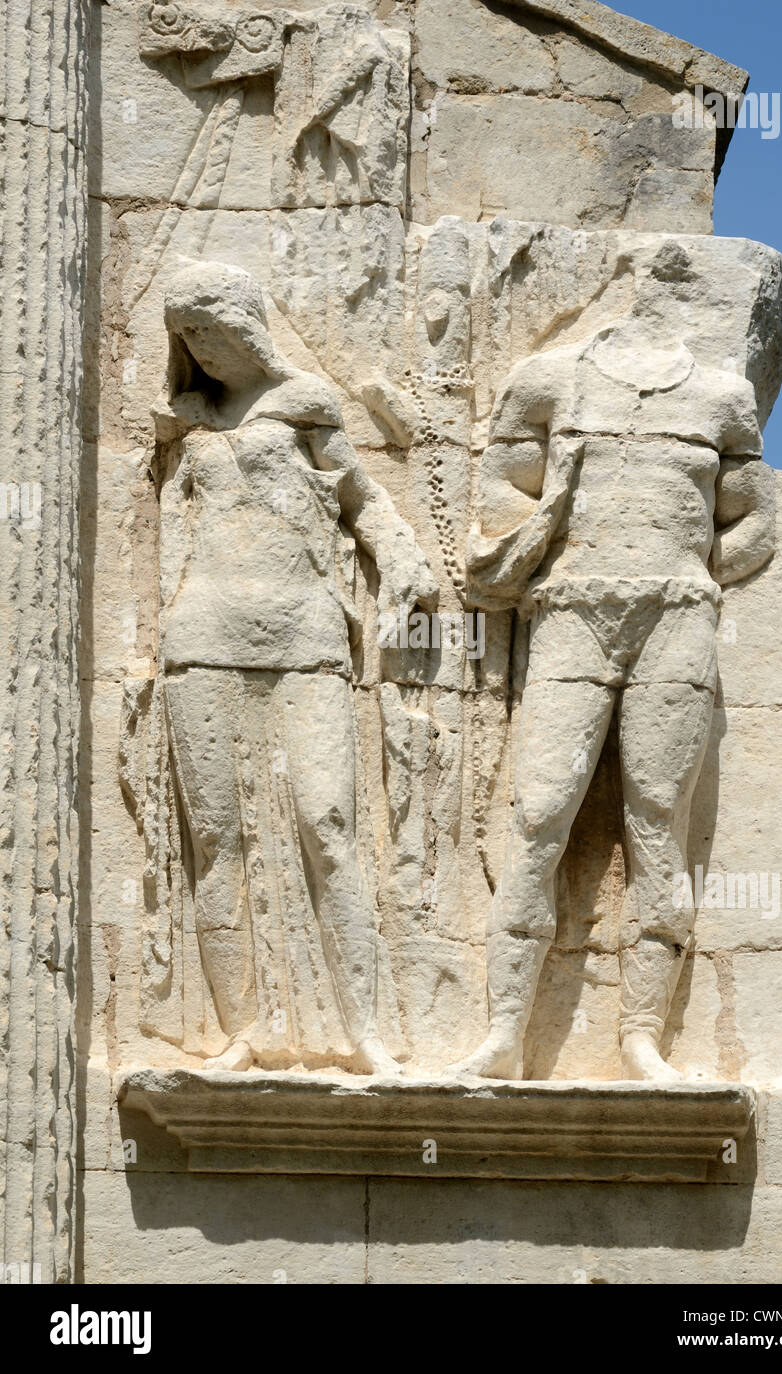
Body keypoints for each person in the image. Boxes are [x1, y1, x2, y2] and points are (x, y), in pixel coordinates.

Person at [447, 305, 775, 1082]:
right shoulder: (548, 380)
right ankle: (503, 1034)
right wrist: (551, 534)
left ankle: (641, 1036)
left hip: (677, 618)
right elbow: (499, 497)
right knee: (539, 813)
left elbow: (757, 521)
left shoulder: (723, 396)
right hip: (571, 610)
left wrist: (689, 578)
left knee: (658, 819)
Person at [138, 260, 437, 1073]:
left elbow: (362, 497)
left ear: (246, 326)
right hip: (202, 630)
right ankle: (246, 1029)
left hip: (305, 629)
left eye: (211, 328)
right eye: (187, 334)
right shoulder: (189, 418)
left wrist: (401, 558)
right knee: (217, 839)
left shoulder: (305, 402)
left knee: (328, 827)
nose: (201, 346)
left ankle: (367, 1029)